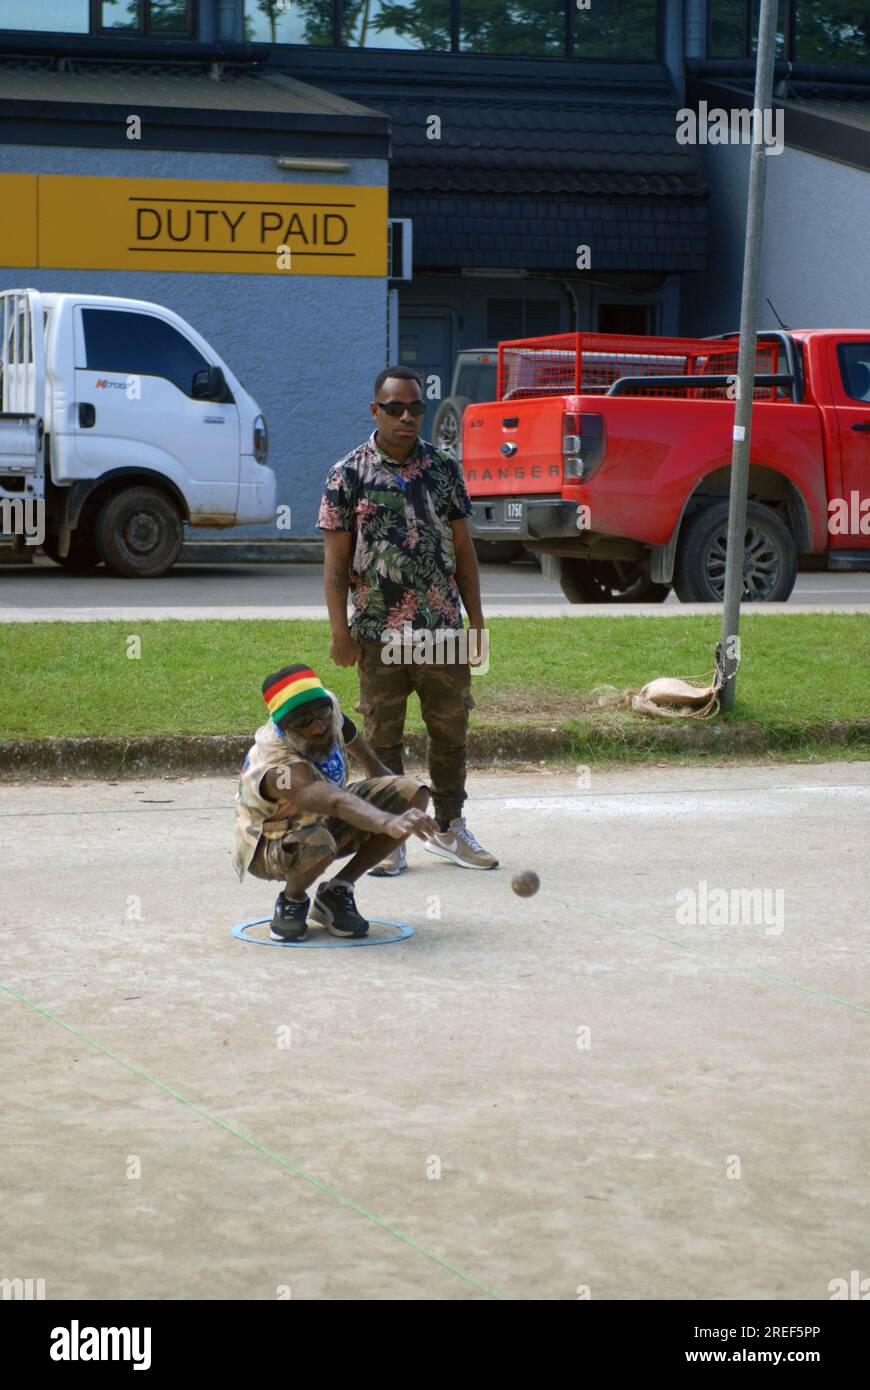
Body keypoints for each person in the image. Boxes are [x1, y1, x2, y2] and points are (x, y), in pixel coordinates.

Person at [318, 365, 498, 876]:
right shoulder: (347, 474)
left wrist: (477, 620)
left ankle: (450, 826)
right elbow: (334, 567)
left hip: (441, 630)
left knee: (450, 732)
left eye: (415, 408)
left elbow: (464, 552)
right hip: (378, 632)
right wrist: (339, 631)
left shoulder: (444, 469)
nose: (406, 417)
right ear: (375, 410)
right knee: (382, 737)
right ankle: (391, 835)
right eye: (395, 408)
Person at [233, 663, 438, 942]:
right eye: (304, 723)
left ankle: (336, 891)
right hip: (272, 842)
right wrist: (386, 820)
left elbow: (345, 727)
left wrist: (374, 767)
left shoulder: (326, 708)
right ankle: (292, 900)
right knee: (319, 843)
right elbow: (331, 801)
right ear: (285, 727)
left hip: (321, 819)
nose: (318, 726)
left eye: (321, 716)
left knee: (411, 792)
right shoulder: (275, 766)